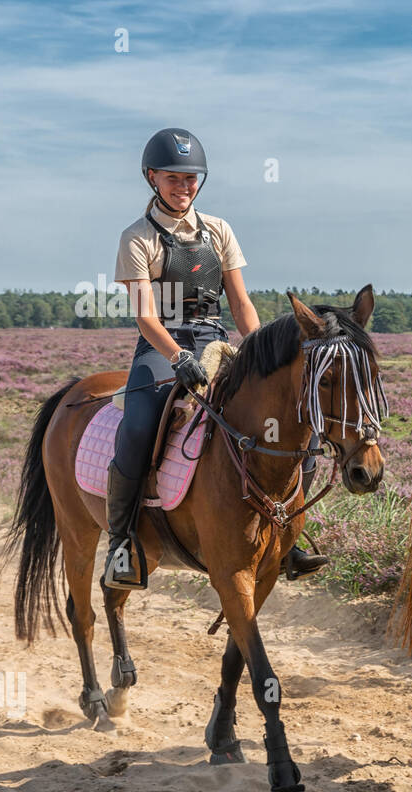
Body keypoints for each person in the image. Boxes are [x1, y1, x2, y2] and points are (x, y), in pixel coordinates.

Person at [104, 127, 326, 589]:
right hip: (163, 346)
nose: (184, 187)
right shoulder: (137, 237)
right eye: (174, 178)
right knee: (141, 424)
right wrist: (177, 355)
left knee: (293, 418)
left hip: (215, 340)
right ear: (152, 178)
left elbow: (241, 303)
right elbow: (147, 316)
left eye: (191, 179)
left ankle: (288, 538)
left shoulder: (219, 230)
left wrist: (266, 349)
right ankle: (122, 543)